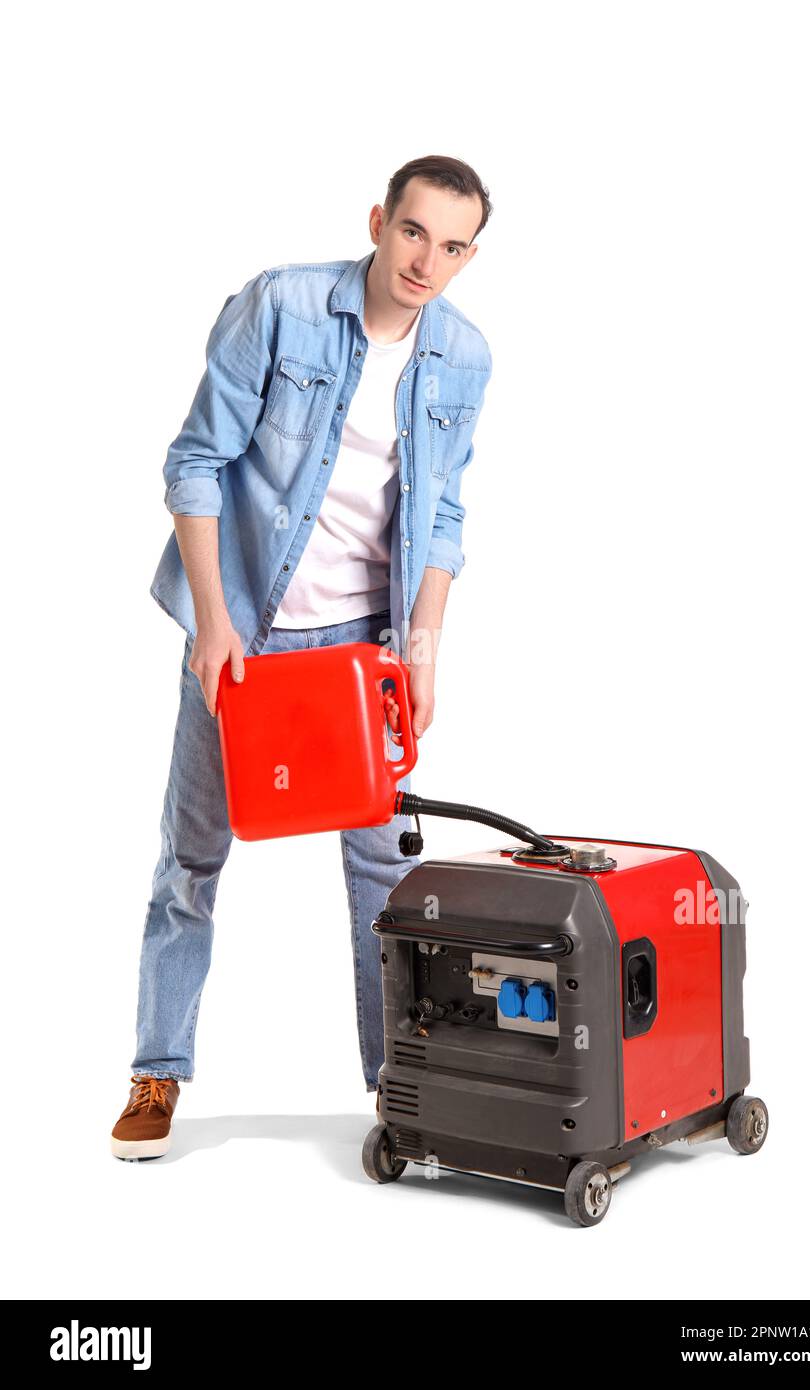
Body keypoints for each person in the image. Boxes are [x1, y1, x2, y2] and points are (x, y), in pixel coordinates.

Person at [111, 154, 494, 1159]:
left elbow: (443, 513)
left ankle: (395, 1082)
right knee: (191, 856)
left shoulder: (463, 356)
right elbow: (195, 462)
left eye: (453, 246)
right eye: (413, 232)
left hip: (360, 649)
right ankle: (158, 1071)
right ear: (379, 219)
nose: (426, 260)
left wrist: (420, 650)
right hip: (244, 631)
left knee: (384, 874)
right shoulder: (278, 306)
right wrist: (213, 622)